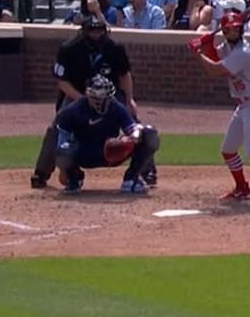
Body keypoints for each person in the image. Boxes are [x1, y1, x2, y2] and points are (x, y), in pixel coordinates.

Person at [31, 14, 143, 189]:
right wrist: (84, 100)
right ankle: (42, 172)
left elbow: (124, 75)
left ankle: (145, 170)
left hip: (110, 95)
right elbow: (62, 82)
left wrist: (130, 100)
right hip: (77, 93)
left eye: (100, 31)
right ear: (84, 32)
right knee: (56, 128)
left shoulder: (114, 48)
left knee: (136, 124)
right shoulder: (69, 49)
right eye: (92, 31)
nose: (97, 35)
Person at [189, 11, 250, 207]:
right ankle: (242, 188)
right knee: (228, 149)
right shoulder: (228, 47)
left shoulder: (243, 52)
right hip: (244, 104)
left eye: (235, 29)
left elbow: (215, 69)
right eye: (228, 29)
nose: (232, 32)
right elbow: (216, 56)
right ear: (224, 31)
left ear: (241, 30)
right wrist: (207, 44)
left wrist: (198, 53)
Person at [51, 76, 161, 195]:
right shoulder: (71, 112)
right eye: (97, 98)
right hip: (84, 153)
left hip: (112, 151)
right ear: (88, 95)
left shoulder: (115, 106)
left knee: (149, 134)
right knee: (62, 149)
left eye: (105, 98)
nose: (102, 102)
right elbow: (61, 142)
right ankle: (74, 179)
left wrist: (131, 138)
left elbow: (132, 128)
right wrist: (64, 167)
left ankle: (131, 179)